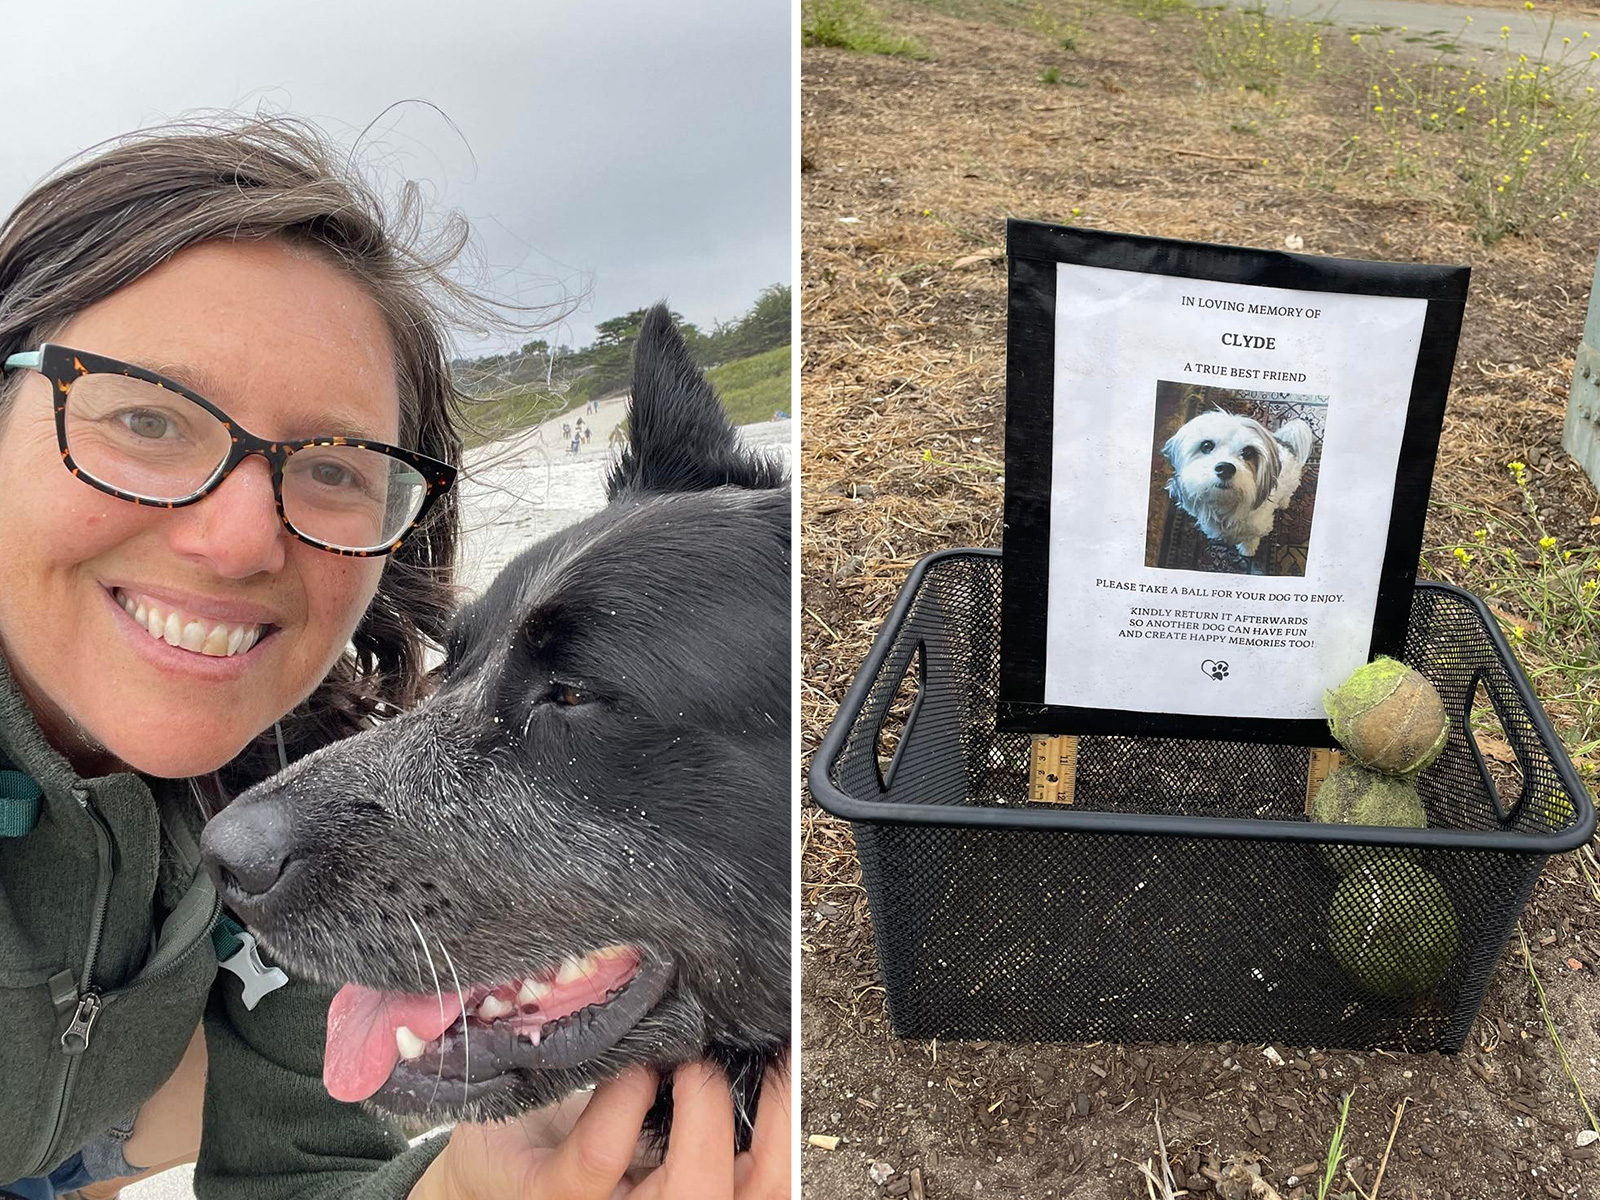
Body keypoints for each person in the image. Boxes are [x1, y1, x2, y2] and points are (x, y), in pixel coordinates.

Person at [0, 117, 787, 1200]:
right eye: (143, 417)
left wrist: (460, 1193)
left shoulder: (277, 725)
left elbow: (301, 1167)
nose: (235, 541)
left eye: (332, 465)